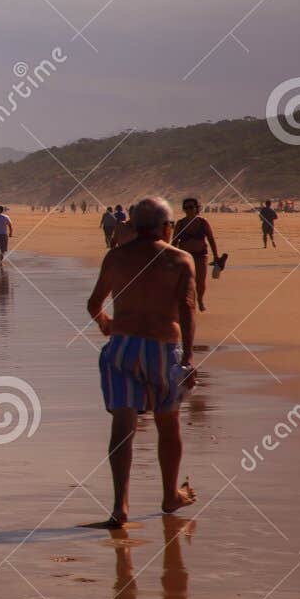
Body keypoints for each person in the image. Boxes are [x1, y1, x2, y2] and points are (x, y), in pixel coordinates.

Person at [85, 197, 199, 528]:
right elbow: (188, 309)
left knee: (123, 425)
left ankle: (120, 507)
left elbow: (94, 303)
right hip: (162, 348)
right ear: (167, 226)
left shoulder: (116, 257)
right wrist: (189, 357)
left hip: (123, 346)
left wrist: (108, 325)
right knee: (168, 422)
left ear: (136, 227)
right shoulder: (180, 260)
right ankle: (169, 495)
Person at [172, 198, 221, 312]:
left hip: (201, 255)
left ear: (196, 208)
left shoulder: (203, 222)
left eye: (191, 207)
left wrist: (216, 256)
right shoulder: (180, 223)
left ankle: (200, 300)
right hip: (184, 257)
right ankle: (191, 302)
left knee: (200, 281)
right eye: (186, 207)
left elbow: (211, 239)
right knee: (187, 281)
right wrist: (171, 257)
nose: (189, 210)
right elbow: (174, 242)